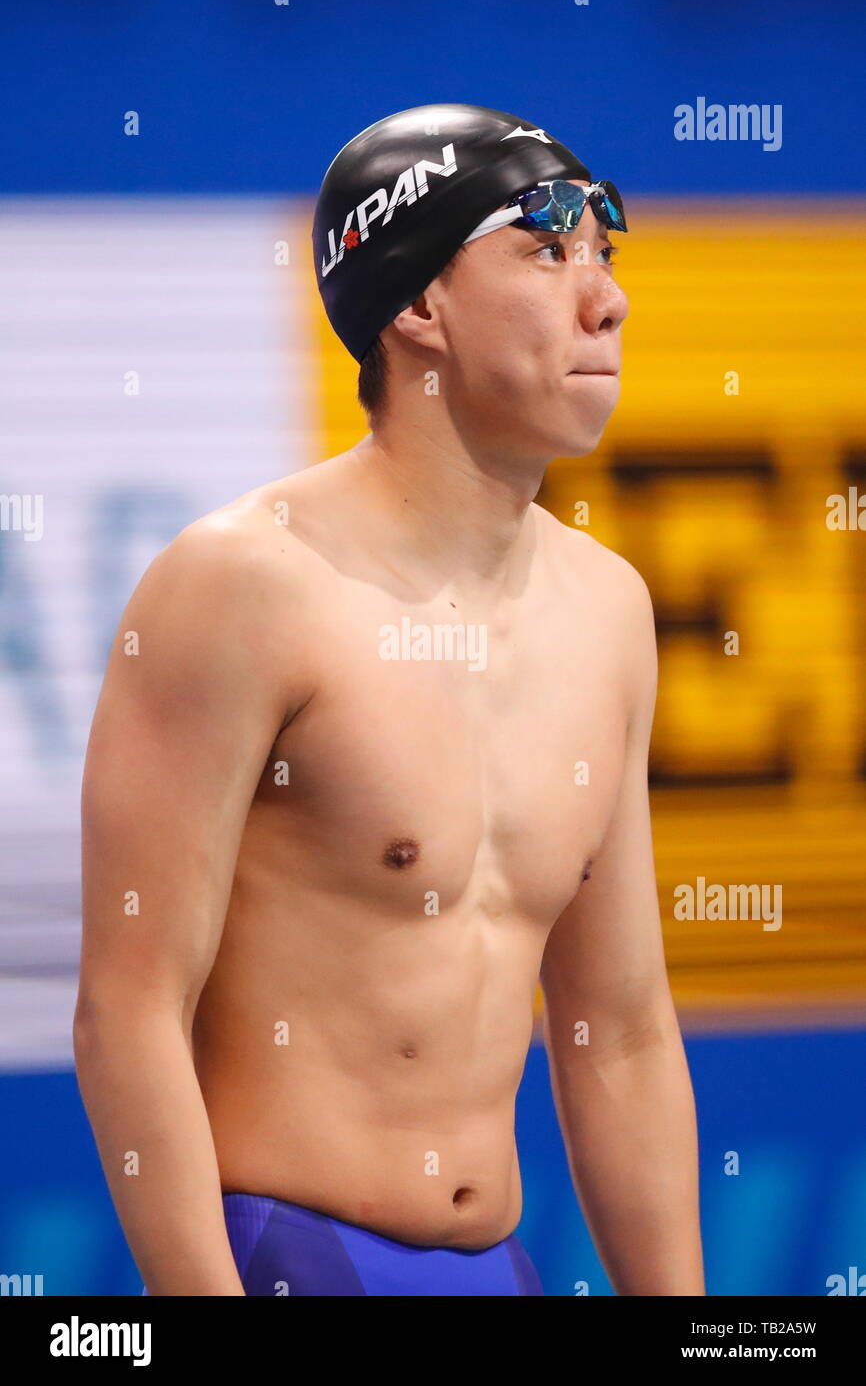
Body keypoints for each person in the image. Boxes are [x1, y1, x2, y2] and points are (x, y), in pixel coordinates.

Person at [74, 103, 705, 1296]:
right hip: (289, 1257)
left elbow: (615, 1031)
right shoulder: (243, 586)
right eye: (544, 246)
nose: (605, 298)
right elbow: (128, 1007)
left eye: (603, 253)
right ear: (417, 304)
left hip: (500, 1267)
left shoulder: (607, 611)